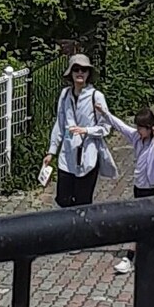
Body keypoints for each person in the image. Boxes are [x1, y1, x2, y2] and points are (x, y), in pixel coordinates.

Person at [95, 101, 154, 276]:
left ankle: (133, 257)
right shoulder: (136, 137)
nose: (139, 131)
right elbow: (119, 125)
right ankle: (140, 254)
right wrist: (104, 112)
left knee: (147, 222)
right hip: (139, 186)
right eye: (138, 127)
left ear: (149, 128)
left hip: (152, 188)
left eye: (142, 128)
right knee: (142, 222)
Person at [39, 54, 117, 206]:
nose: (80, 73)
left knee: (83, 201)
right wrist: (51, 152)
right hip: (67, 155)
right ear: (71, 73)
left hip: (88, 155)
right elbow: (60, 124)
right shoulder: (65, 95)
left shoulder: (96, 96)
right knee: (63, 199)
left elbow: (106, 127)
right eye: (76, 69)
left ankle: (82, 228)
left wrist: (86, 130)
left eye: (84, 70)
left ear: (88, 73)